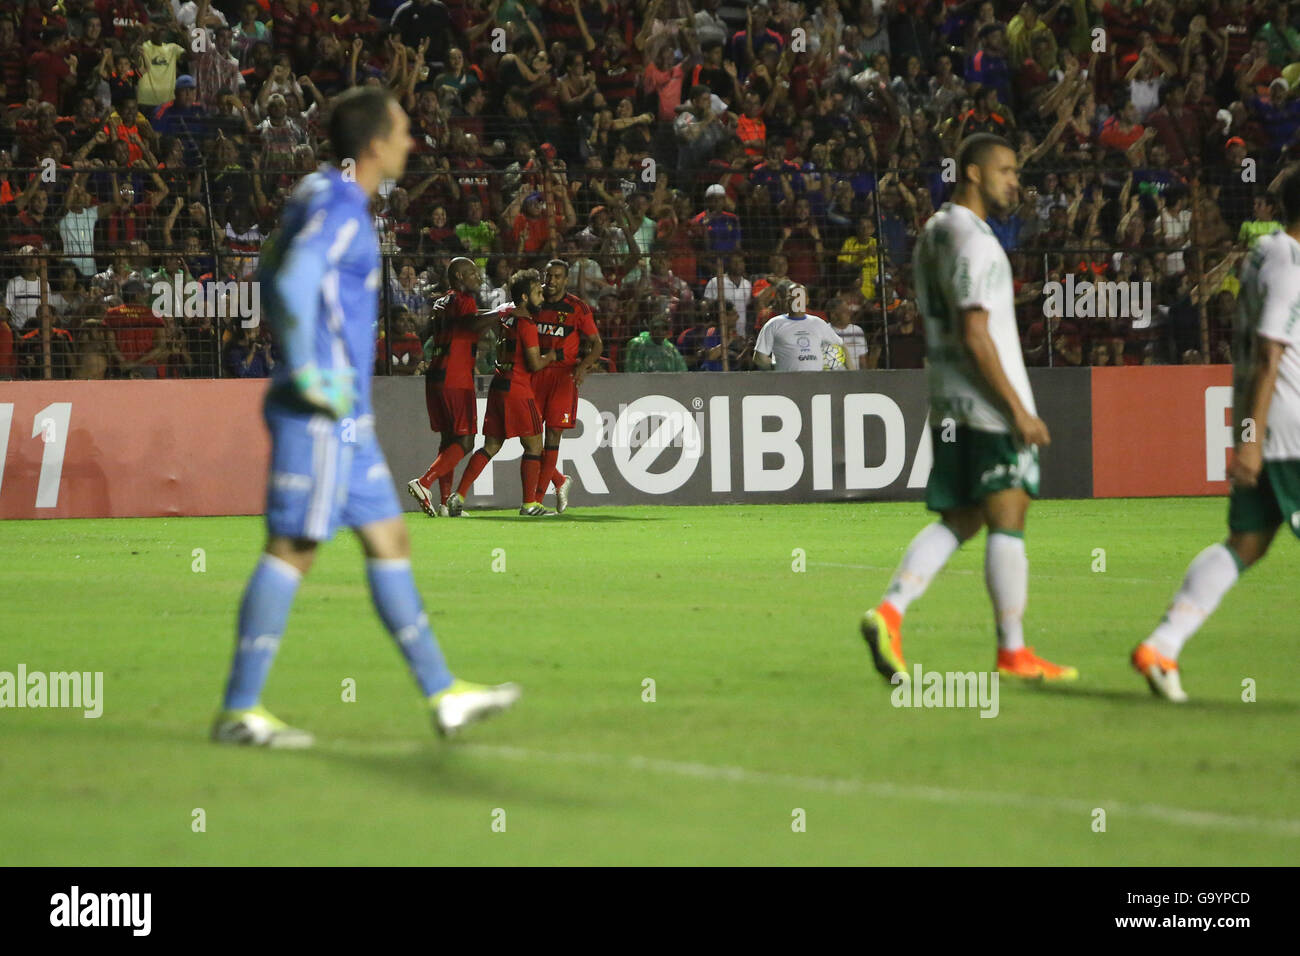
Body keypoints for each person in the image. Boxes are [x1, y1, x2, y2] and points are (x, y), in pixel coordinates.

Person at [213, 87, 519, 748]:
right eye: (405, 130)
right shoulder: (345, 206)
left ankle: (443, 694)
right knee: (293, 549)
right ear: (376, 143)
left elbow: (268, 266)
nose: (412, 142)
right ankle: (240, 710)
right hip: (322, 413)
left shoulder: (317, 193)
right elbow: (292, 280)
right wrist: (312, 371)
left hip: (346, 420)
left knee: (389, 539)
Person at [861, 134, 1076, 686]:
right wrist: (1018, 411)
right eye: (1006, 171)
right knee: (1009, 513)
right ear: (974, 174)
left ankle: (890, 611)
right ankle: (1012, 650)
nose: (1016, 182)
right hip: (986, 406)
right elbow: (977, 333)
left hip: (947, 399)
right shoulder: (978, 244)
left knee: (962, 516)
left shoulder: (934, 231)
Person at [1132, 172, 1300, 702]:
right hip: (1291, 434)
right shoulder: (1289, 264)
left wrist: (1249, 432)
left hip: (1270, 426)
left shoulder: (1264, 252)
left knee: (1246, 543)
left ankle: (1163, 644)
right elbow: (1270, 351)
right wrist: (1250, 439)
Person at [446, 269, 559, 517]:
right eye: (537, 293)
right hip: (518, 388)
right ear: (525, 297)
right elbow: (533, 363)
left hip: (499, 384)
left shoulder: (505, 318)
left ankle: (459, 496)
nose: (542, 297)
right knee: (535, 446)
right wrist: (550, 356)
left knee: (491, 445)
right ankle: (530, 504)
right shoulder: (527, 323)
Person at [408, 256, 504, 516]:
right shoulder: (465, 300)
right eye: (473, 273)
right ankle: (424, 482)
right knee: (465, 441)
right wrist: (501, 313)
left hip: (437, 376)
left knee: (448, 440)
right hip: (456, 378)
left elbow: (467, 319)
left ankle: (444, 503)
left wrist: (495, 313)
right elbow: (471, 323)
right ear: (460, 277)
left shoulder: (444, 300)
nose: (479, 277)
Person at [531, 259, 603, 513]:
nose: (551, 281)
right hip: (534, 375)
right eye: (548, 275)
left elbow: (597, 344)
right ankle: (560, 481)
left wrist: (583, 367)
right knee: (528, 438)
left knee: (552, 435)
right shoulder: (533, 300)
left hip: (562, 377)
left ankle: (537, 500)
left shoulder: (577, 308)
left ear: (566, 280)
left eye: (557, 276)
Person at [753, 282, 843, 371]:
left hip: (815, 382)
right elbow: (759, 358)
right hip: (786, 382)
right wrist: (776, 367)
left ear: (807, 300)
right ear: (786, 300)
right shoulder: (773, 324)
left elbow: (841, 345)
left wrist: (853, 373)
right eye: (792, 298)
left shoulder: (818, 322)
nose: (796, 301)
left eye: (800, 297)